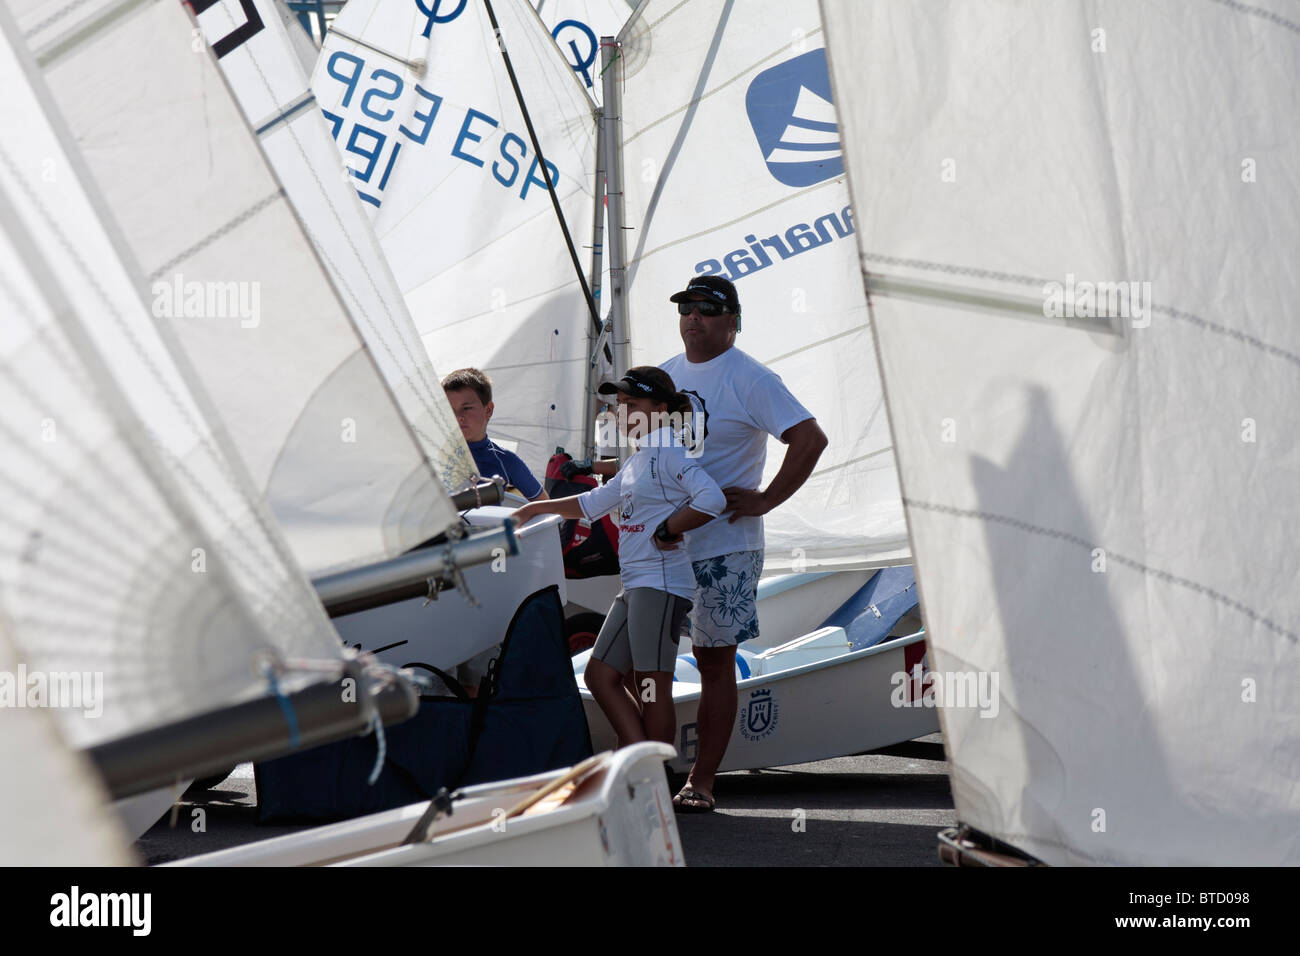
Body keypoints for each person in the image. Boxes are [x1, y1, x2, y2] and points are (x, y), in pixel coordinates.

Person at [660, 274, 828, 813]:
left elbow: (810, 438)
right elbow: (637, 452)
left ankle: (701, 781)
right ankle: (639, 776)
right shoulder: (663, 375)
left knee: (713, 663)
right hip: (662, 546)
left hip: (724, 548)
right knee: (645, 665)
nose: (694, 316)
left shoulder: (751, 377)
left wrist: (767, 499)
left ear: (732, 320)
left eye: (708, 308)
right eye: (687, 306)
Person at [512, 367, 725, 750]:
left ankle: (652, 771)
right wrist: (533, 509)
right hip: (637, 586)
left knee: (651, 686)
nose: (623, 413)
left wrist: (670, 528)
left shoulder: (668, 454)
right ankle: (636, 758)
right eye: (621, 405)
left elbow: (713, 498)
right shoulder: (638, 460)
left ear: (660, 409)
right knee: (599, 675)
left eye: (632, 404)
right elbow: (590, 503)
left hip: (660, 585)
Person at [443, 367, 547, 501]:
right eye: (450, 410)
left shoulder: (507, 461)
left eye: (467, 408)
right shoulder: (429, 455)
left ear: (488, 410)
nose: (458, 417)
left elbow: (546, 506)